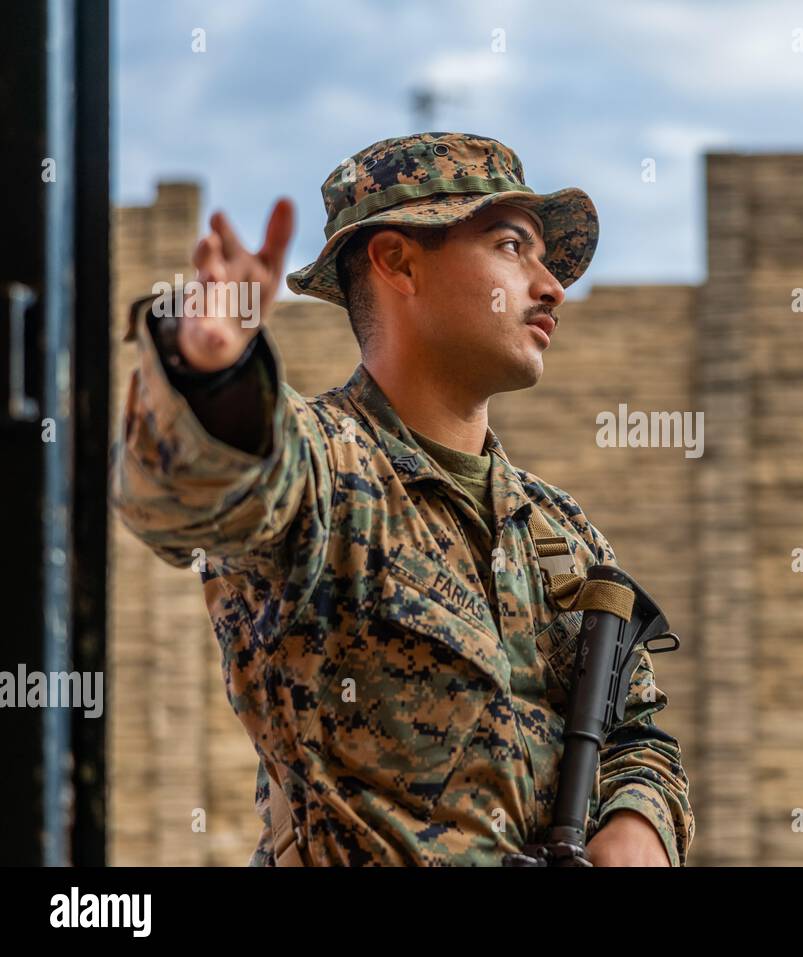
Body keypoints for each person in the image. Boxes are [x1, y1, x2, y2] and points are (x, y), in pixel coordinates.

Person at [111, 132, 693, 866]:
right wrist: (213, 378)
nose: (552, 288)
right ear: (397, 262)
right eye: (514, 247)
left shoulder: (562, 532)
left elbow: (636, 730)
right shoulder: (323, 469)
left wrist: (639, 822)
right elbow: (189, 498)